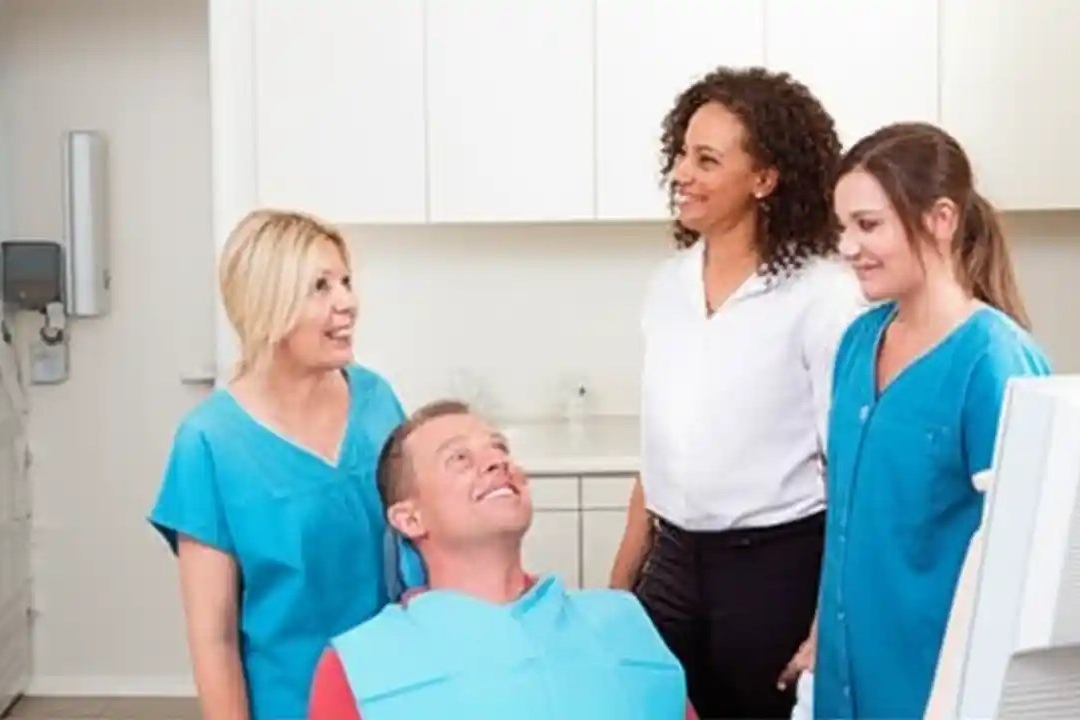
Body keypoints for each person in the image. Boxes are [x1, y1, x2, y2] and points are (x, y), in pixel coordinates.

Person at [608, 66, 868, 719]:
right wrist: (615, 597)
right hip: (669, 565)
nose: (680, 173)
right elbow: (657, 456)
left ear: (764, 179)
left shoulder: (824, 293)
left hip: (775, 568)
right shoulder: (667, 285)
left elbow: (849, 473)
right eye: (680, 153)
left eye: (706, 159)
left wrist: (823, 623)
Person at [811, 121, 1053, 719]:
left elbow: (1028, 559)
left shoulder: (994, 361)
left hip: (939, 687)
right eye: (843, 227)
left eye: (868, 226)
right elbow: (849, 519)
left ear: (940, 220)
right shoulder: (857, 343)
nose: (847, 247)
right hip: (846, 681)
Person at [148, 209, 424, 720]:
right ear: (266, 305)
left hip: (399, 693)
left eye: (345, 281)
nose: (348, 302)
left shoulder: (376, 400)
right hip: (293, 704)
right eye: (320, 286)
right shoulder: (210, 443)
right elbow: (214, 639)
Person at [307, 400, 697, 720]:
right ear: (410, 518)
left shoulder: (623, 625)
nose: (497, 463)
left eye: (500, 449)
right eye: (459, 458)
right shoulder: (360, 668)